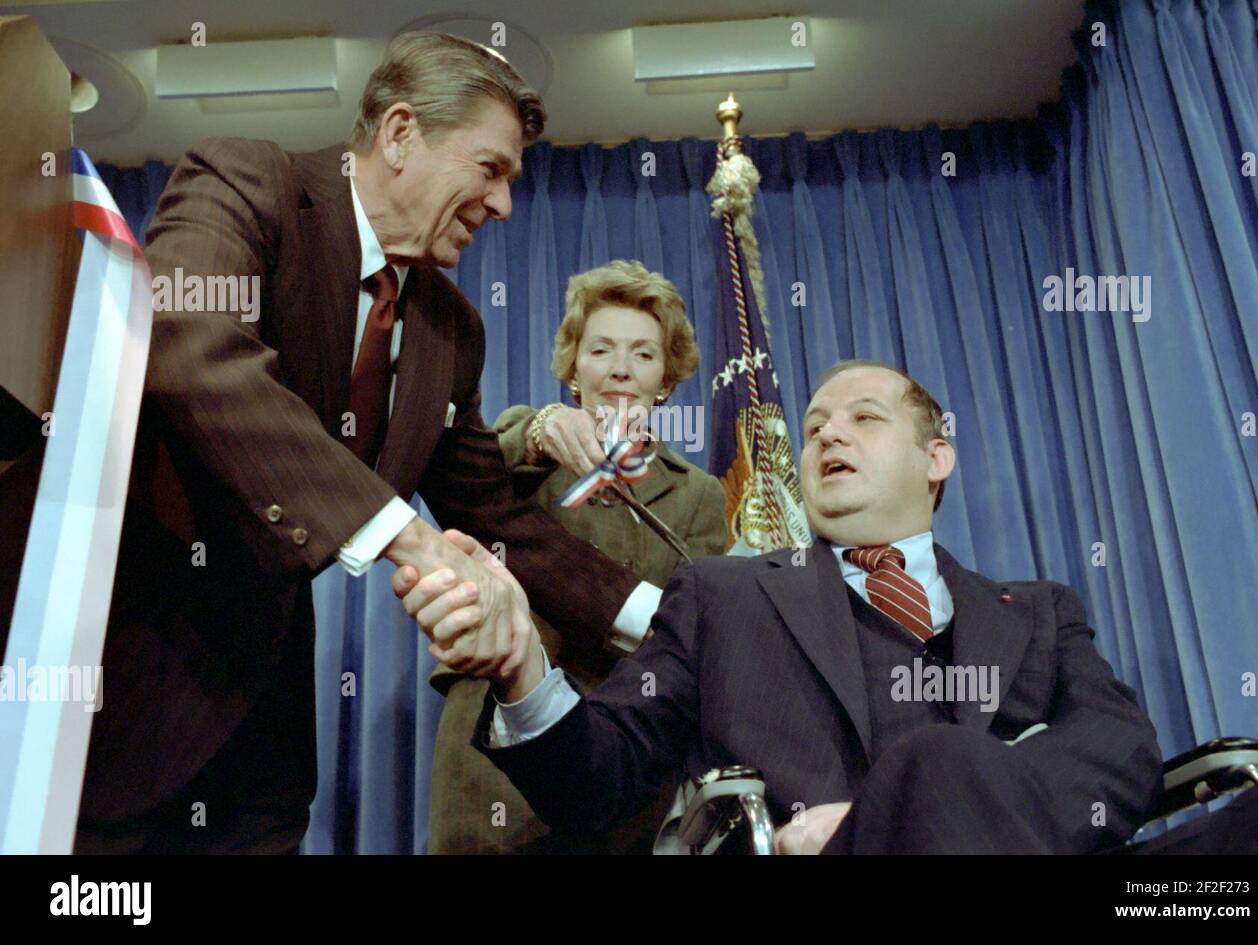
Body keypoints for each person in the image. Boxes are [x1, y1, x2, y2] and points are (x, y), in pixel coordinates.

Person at [74, 32, 658, 854]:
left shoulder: (450, 331)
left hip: (263, 745)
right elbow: (188, 342)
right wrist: (406, 534)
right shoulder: (248, 181)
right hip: (120, 696)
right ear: (399, 134)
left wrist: (666, 622)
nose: (503, 206)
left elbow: (501, 521)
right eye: (490, 170)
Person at [399, 359, 1167, 854]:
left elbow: (1121, 750)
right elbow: (600, 779)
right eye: (813, 428)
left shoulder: (1038, 609)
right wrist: (524, 668)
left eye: (864, 416)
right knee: (942, 762)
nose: (829, 429)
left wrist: (910, 822)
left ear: (937, 458)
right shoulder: (721, 594)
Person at [426, 261, 727, 853]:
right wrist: (541, 430)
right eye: (602, 350)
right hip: (496, 736)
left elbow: (687, 633)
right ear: (573, 368)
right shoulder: (525, 442)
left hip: (623, 746)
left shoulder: (699, 494)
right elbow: (468, 477)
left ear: (665, 378)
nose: (621, 368)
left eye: (643, 354)